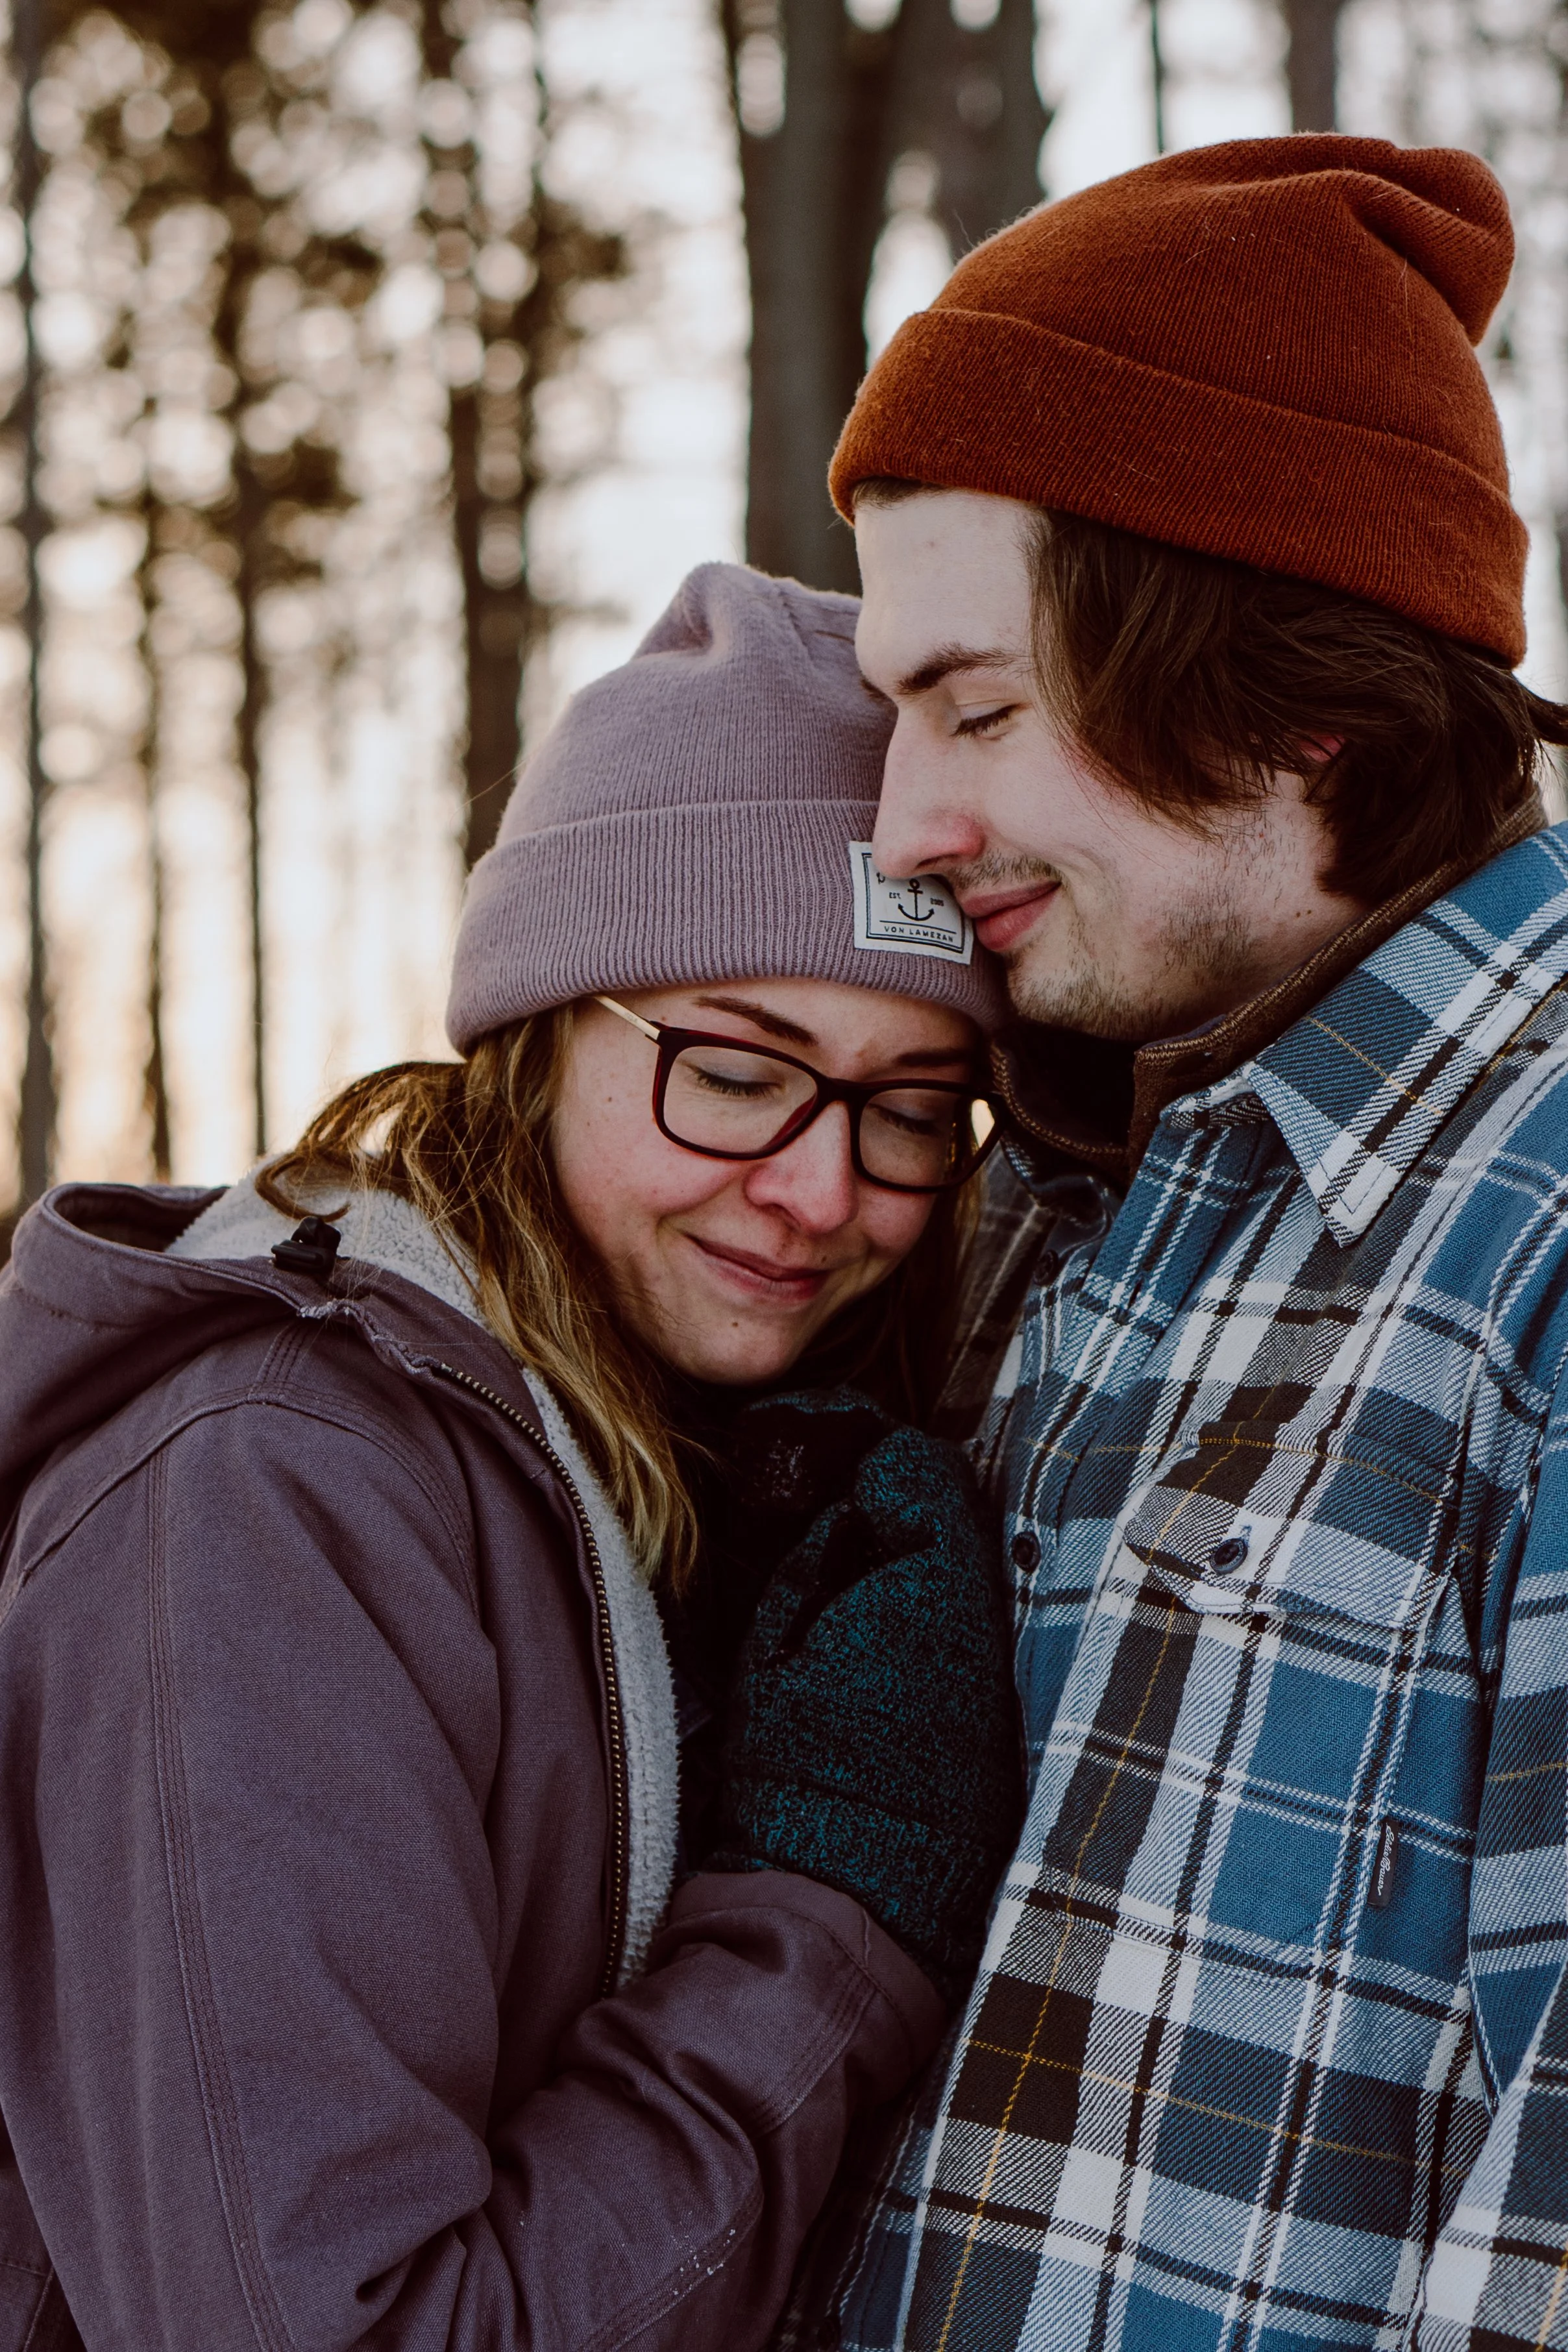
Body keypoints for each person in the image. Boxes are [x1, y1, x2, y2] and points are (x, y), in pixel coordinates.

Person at [0, 563, 1025, 2351]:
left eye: (912, 1109)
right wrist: (827, 1917)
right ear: (545, 1034)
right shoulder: (273, 1500)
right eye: (734, 1069)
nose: (820, 1188)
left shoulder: (677, 1458)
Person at [790, 137, 1568, 2352]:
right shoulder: (1076, 1191)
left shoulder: (1538, 1222)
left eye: (977, 705)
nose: (906, 830)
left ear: (1285, 683)